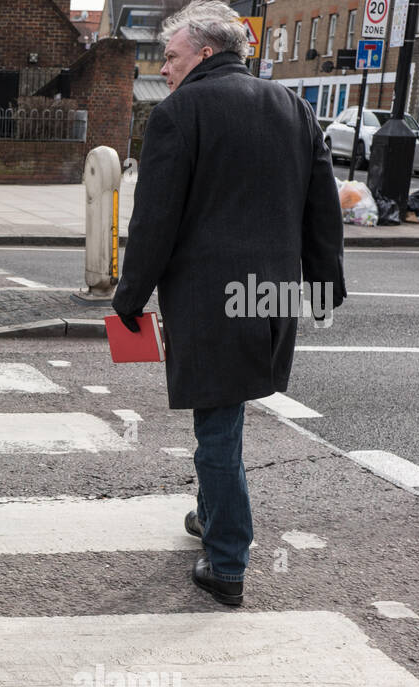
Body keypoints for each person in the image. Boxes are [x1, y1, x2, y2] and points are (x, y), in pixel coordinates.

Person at [111, 0, 346, 606]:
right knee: (227, 413)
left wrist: (129, 297)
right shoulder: (293, 106)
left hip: (209, 298)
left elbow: (156, 219)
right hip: (269, 295)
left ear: (206, 53)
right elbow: (321, 206)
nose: (164, 68)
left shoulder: (179, 113)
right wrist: (325, 284)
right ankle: (211, 517)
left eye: (171, 56)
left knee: (216, 427)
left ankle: (227, 563)